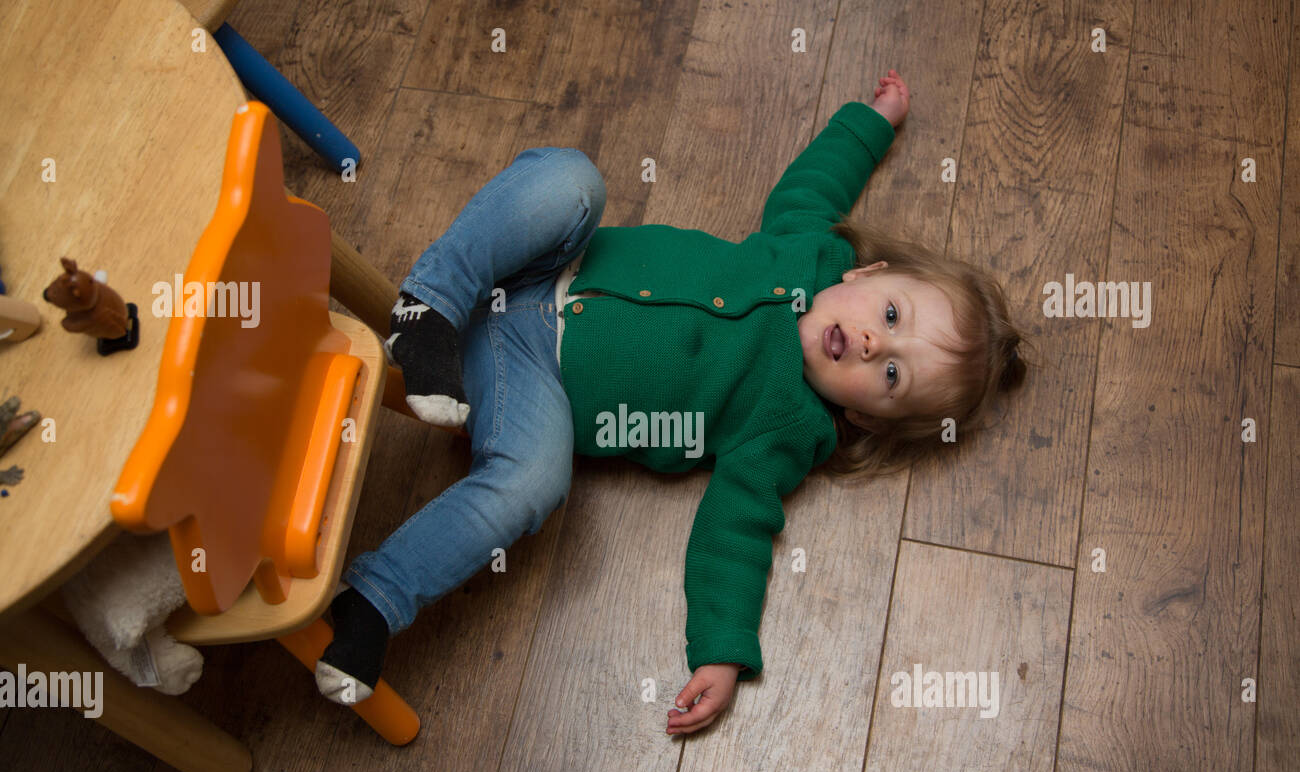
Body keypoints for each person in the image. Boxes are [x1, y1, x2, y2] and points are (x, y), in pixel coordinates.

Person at [316, 70, 1030, 735]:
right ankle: (430, 307)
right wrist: (873, 120)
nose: (876, 344)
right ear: (868, 271)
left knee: (536, 482)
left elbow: (736, 533)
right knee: (572, 180)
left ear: (869, 417)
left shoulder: (787, 430)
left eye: (894, 377)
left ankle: (376, 599)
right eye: (894, 316)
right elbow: (819, 178)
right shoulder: (808, 247)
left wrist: (720, 651)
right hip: (540, 257)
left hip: (528, 378)